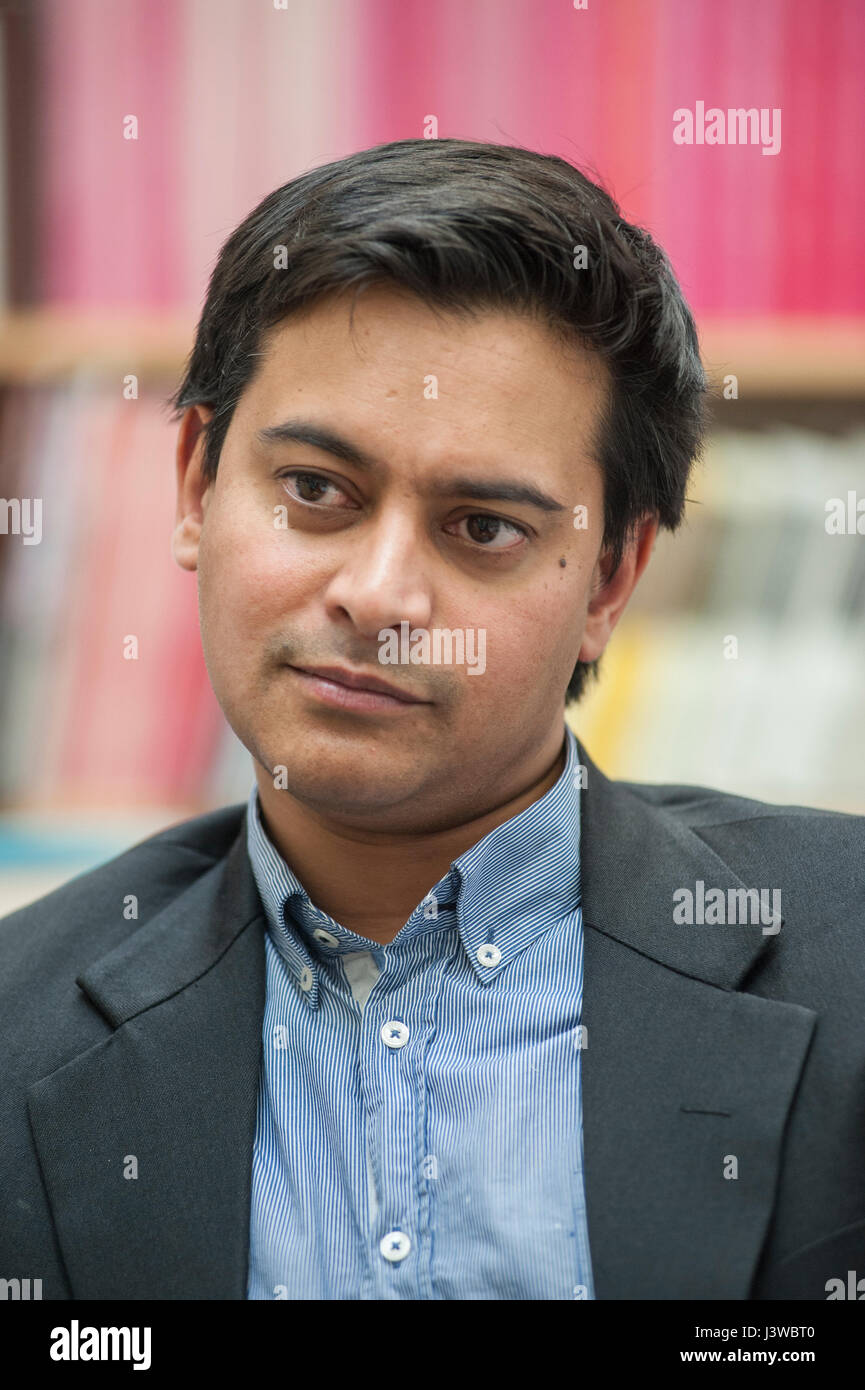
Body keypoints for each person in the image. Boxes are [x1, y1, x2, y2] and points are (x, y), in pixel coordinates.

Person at [1, 138, 862, 1301]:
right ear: (198, 484)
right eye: (314, 490)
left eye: (482, 528)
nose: (381, 595)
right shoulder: (18, 1029)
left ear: (608, 578)